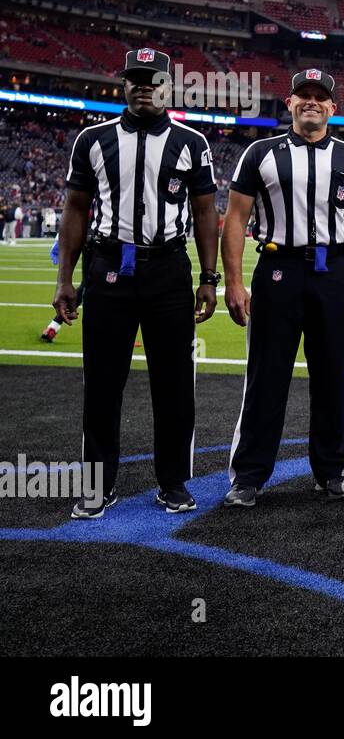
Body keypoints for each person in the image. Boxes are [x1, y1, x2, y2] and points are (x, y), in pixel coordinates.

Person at [55, 47, 220, 518]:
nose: (144, 85)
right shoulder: (92, 139)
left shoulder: (192, 142)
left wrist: (209, 279)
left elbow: (206, 213)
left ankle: (172, 481)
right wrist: (65, 279)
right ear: (123, 84)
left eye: (153, 78)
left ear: (169, 86)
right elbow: (75, 210)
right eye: (135, 78)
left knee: (173, 384)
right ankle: (97, 484)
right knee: (103, 383)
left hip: (168, 270)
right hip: (107, 267)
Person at [221, 68, 344, 508]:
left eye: (320, 96)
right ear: (290, 103)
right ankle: (249, 476)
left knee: (333, 377)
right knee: (265, 377)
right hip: (277, 270)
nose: (311, 101)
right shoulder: (260, 152)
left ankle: (334, 470)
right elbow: (236, 218)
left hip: (333, 271)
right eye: (303, 95)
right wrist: (234, 282)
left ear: (333, 107)